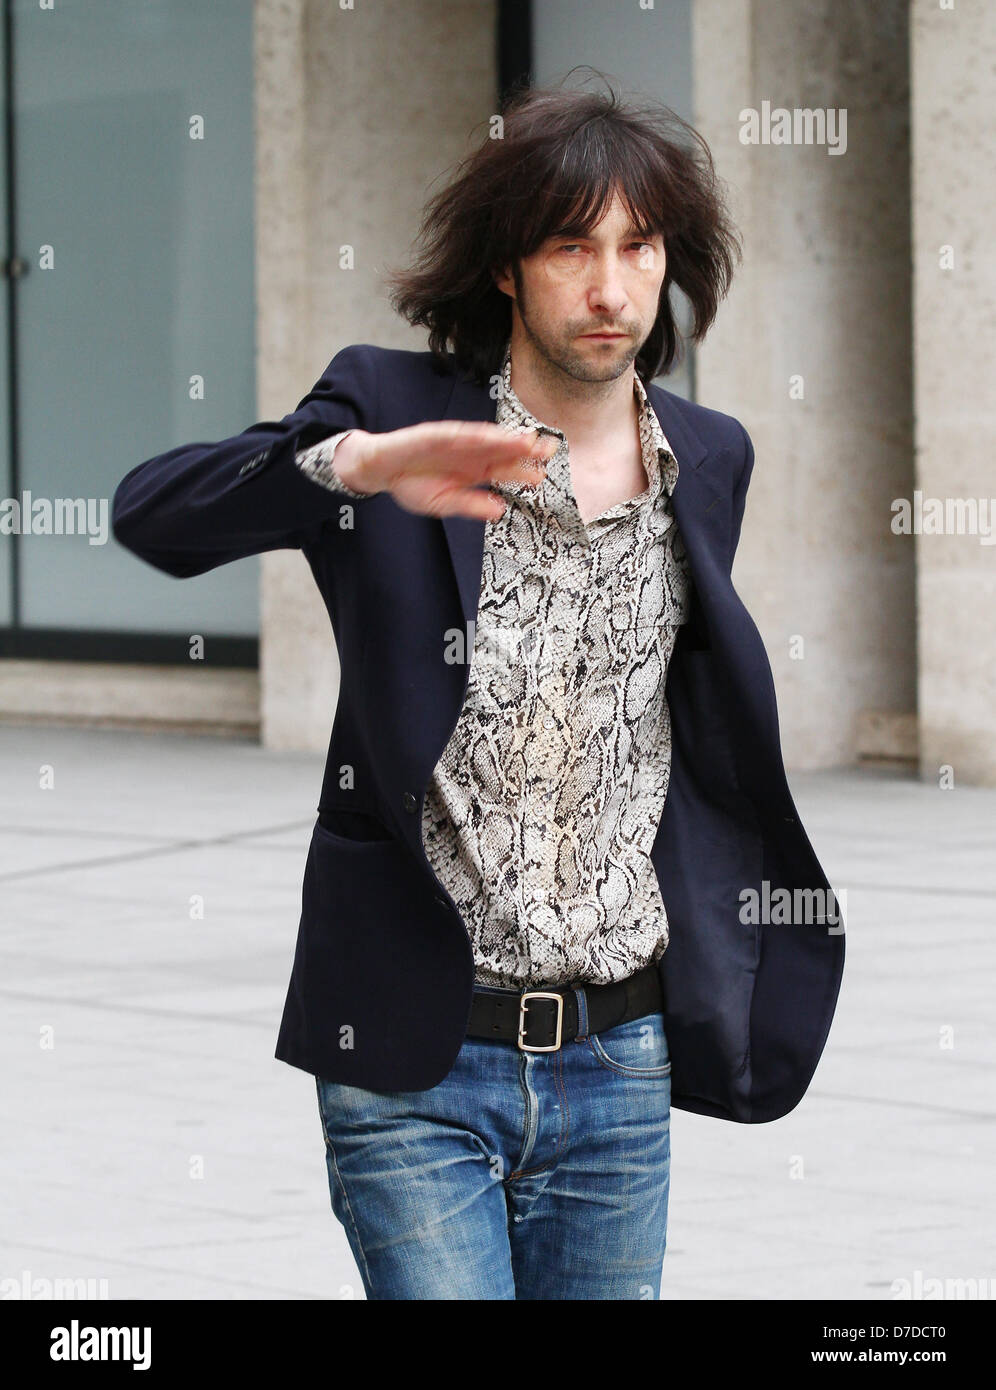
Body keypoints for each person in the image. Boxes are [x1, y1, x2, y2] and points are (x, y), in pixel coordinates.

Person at [112, 81, 844, 1301]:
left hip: (622, 1055)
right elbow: (155, 513)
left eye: (638, 246)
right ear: (507, 266)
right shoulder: (395, 412)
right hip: (414, 1057)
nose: (611, 289)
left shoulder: (708, 458)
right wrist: (352, 466)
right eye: (571, 247)